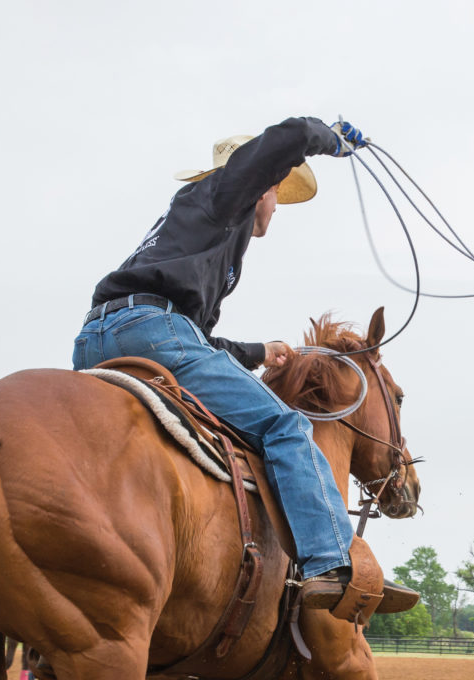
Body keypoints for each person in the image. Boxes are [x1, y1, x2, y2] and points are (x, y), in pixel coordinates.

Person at [72, 116, 412, 613]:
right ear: (263, 186)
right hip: (151, 332)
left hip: (96, 339)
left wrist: (259, 352)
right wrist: (333, 139)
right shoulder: (225, 194)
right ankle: (330, 561)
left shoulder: (194, 229)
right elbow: (291, 135)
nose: (276, 208)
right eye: (276, 194)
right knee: (285, 426)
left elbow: (195, 341)